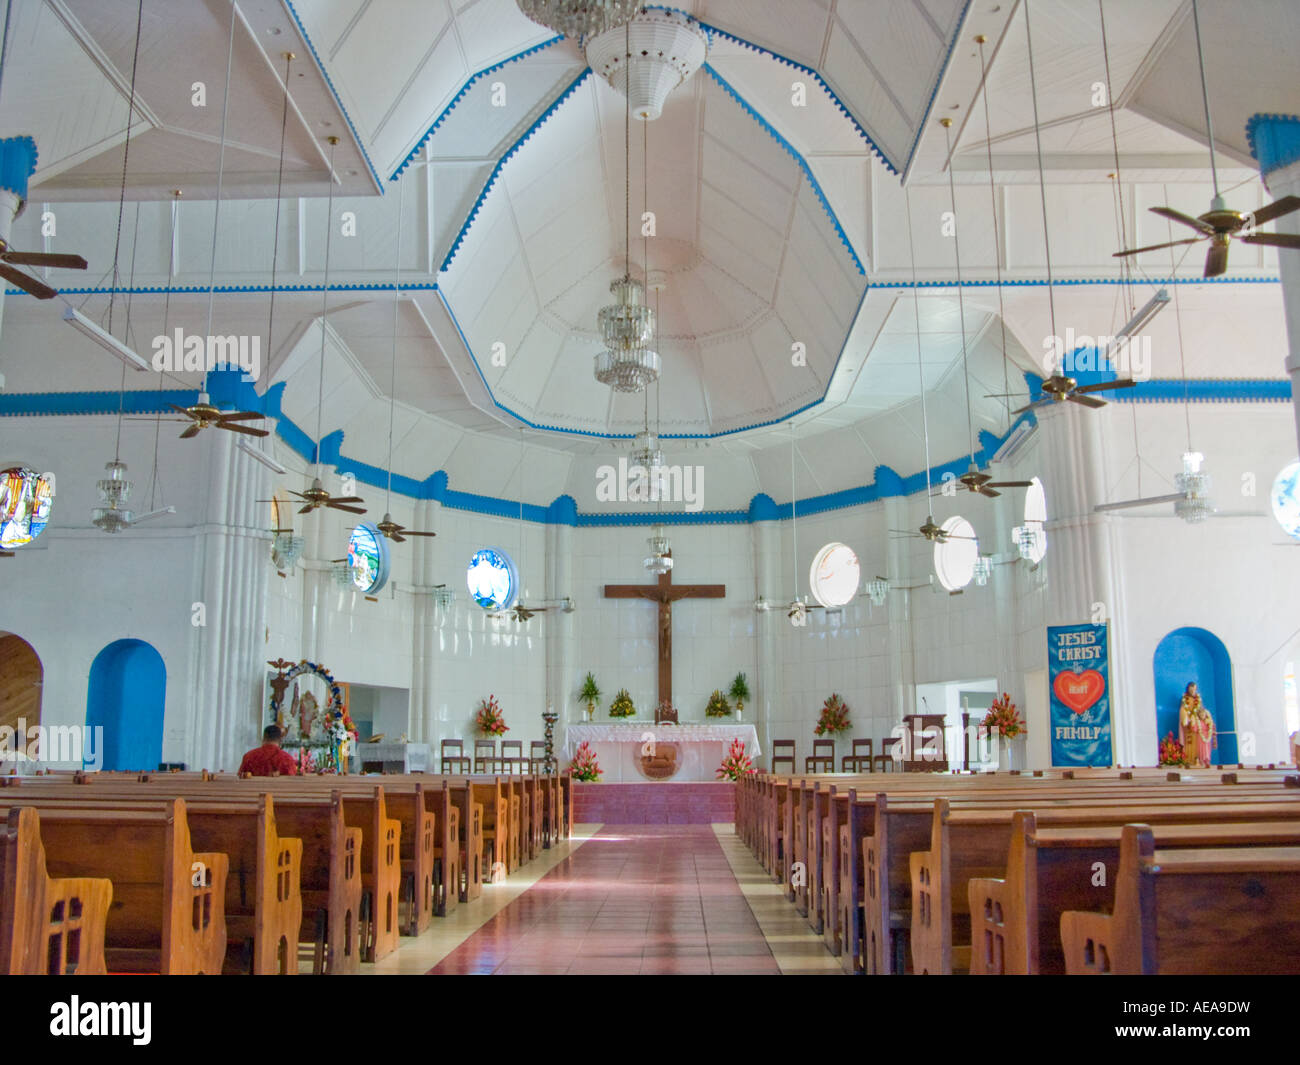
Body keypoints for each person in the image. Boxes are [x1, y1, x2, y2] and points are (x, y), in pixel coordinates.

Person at [1178, 682, 1216, 768]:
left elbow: (1201, 710)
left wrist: (1203, 718)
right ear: (1188, 689)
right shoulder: (1184, 698)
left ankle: (1197, 759)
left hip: (1196, 724)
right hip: (1188, 724)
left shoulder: (1198, 699)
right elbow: (1183, 709)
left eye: (1194, 689)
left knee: (1197, 743)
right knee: (1188, 742)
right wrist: (1186, 717)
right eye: (1191, 689)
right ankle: (1187, 760)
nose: (1193, 691)